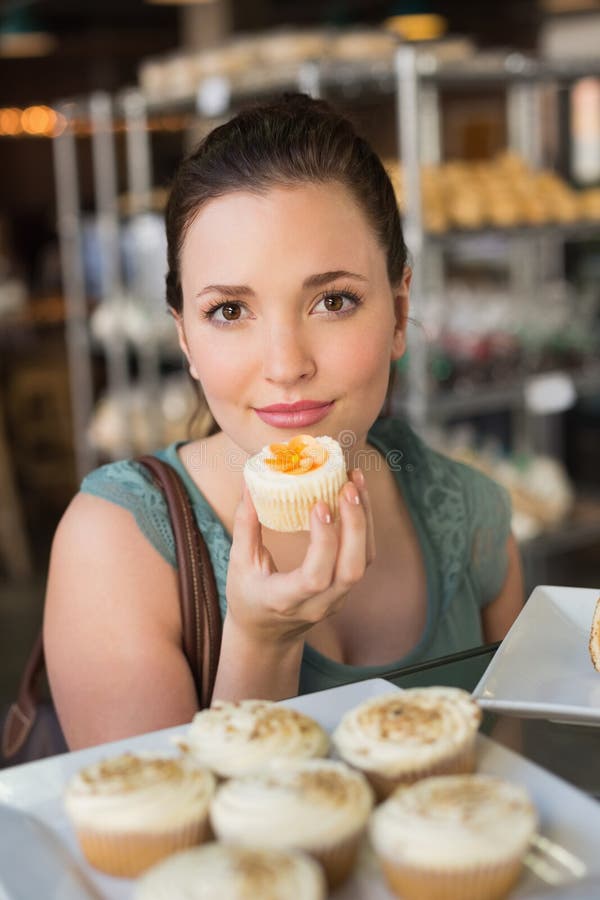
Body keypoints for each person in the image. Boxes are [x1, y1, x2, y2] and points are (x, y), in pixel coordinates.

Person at [44, 94, 523, 750]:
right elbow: (155, 847)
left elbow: (506, 798)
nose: (286, 365)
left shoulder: (474, 517)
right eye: (229, 312)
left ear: (399, 312)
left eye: (333, 300)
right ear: (184, 337)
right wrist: (260, 643)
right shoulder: (116, 545)